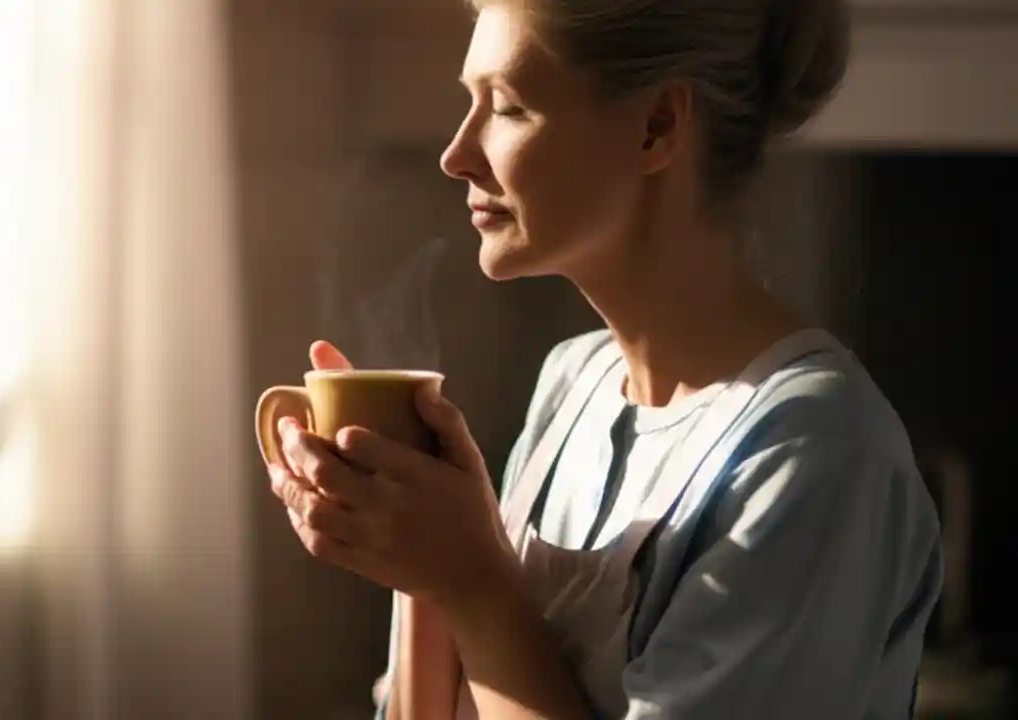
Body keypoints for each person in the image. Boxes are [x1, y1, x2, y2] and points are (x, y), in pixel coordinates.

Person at [265, 0, 943, 717]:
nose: (456, 154)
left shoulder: (816, 452)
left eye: (508, 107)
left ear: (658, 126)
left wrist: (471, 581)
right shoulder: (575, 382)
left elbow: (484, 605)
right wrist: (421, 560)